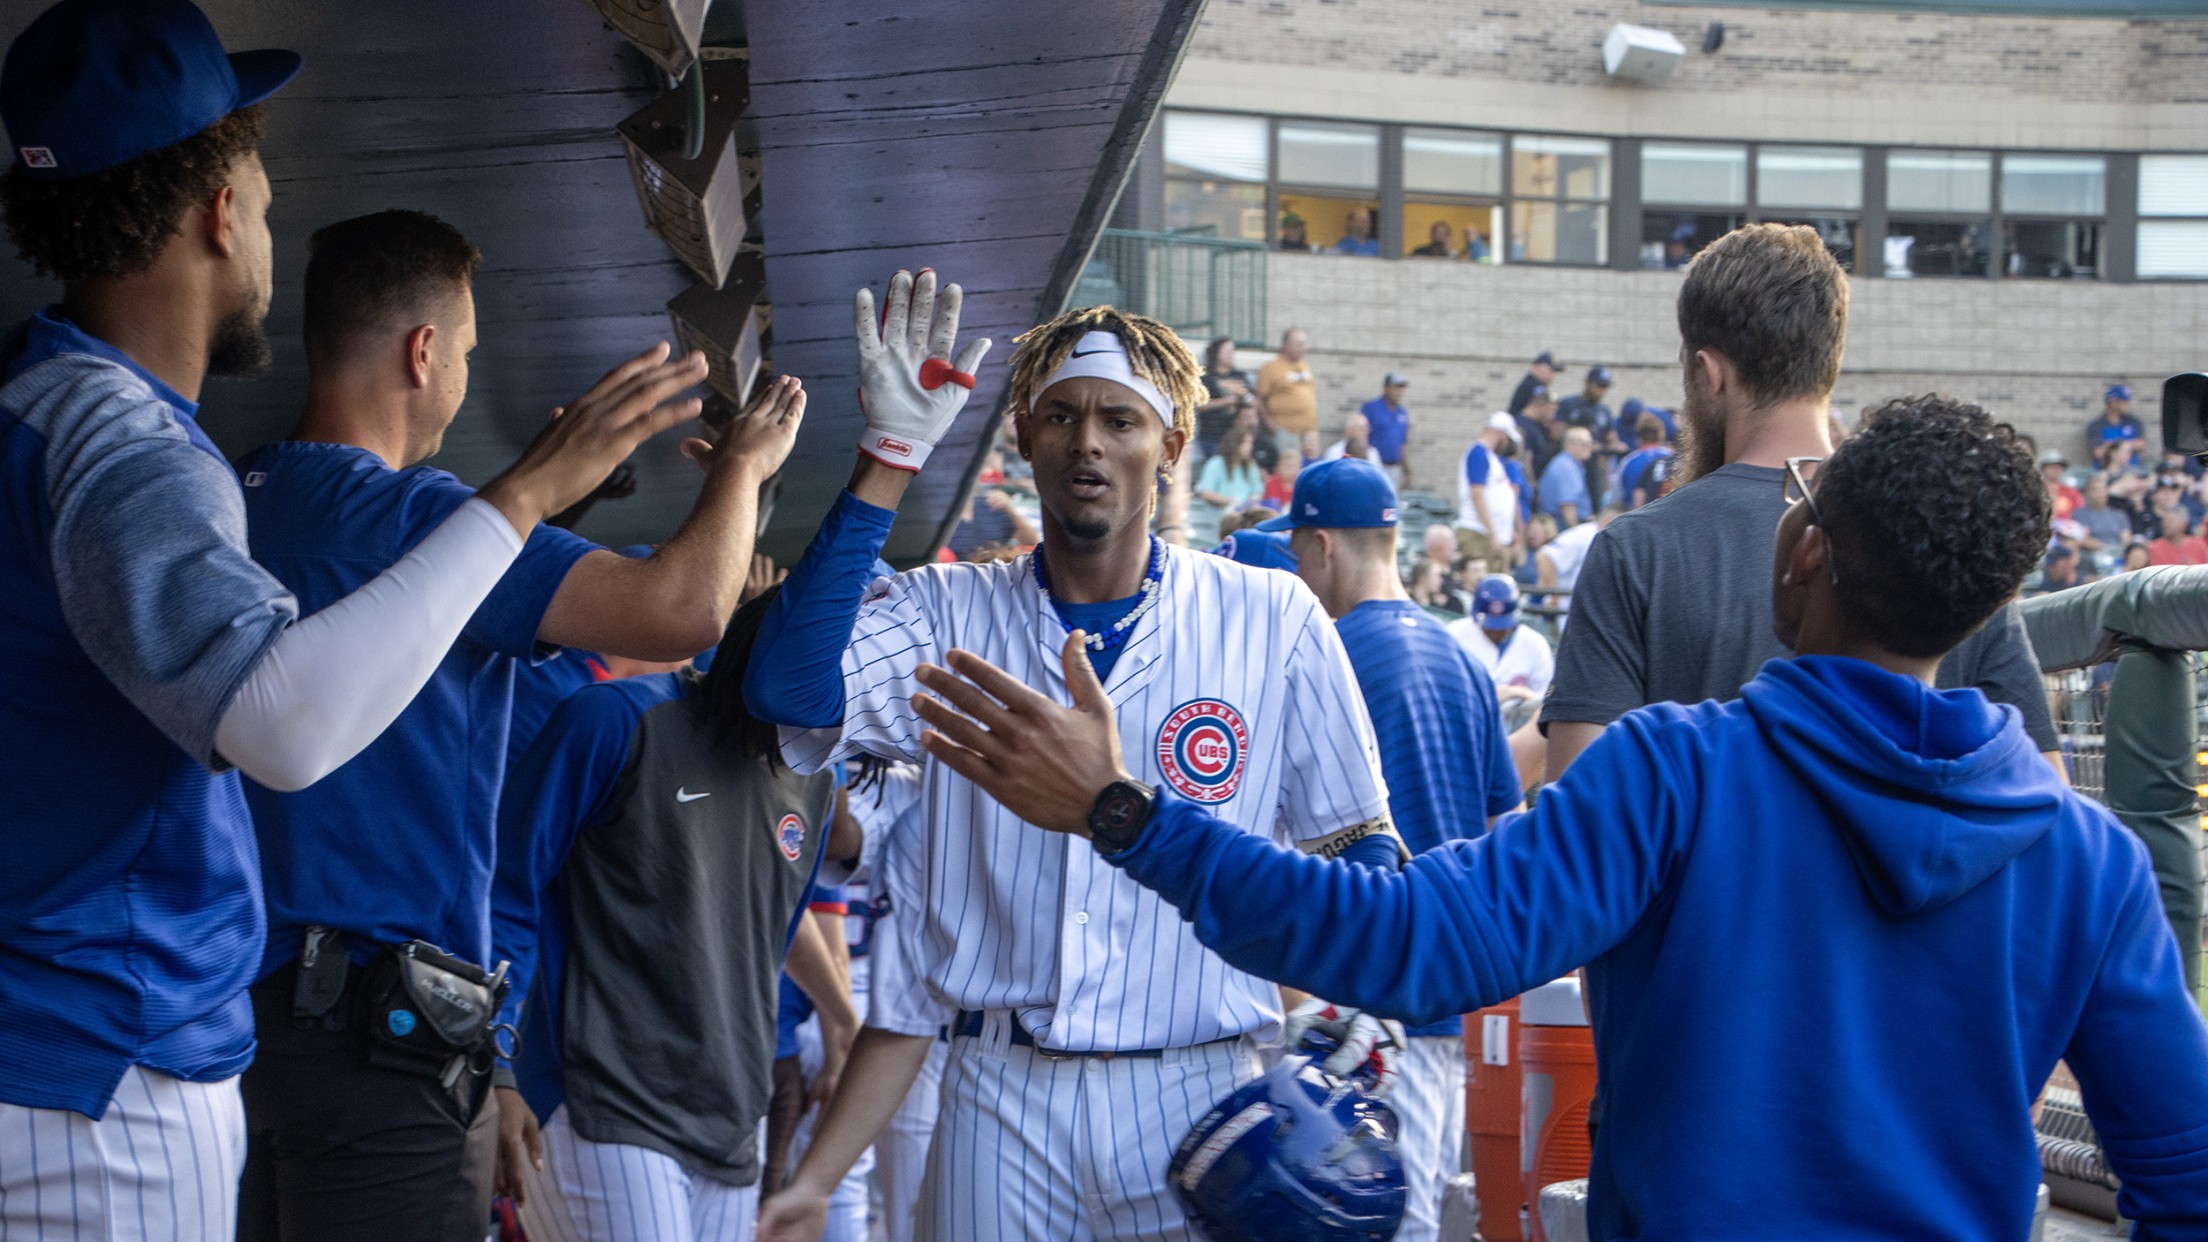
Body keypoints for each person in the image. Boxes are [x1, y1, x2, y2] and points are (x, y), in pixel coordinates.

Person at [911, 396, 2208, 1242]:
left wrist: (1125, 813)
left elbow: (1405, 944)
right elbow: (2185, 1176)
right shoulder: (2087, 861)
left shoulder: (1680, 776)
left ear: (1804, 559)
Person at [0, 5, 693, 1235]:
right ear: (218, 211)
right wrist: (524, 492)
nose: (266, 227)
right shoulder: (122, 444)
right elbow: (282, 721)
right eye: (262, 202)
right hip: (102, 1064)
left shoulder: (34, 413)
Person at [744, 277, 1399, 1242]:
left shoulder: (1275, 617)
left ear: (1171, 446)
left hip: (1203, 1088)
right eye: (1061, 415)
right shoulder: (945, 611)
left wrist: (1357, 1000)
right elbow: (785, 691)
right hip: (996, 1094)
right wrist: (888, 460)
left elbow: (1361, 847)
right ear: (1024, 437)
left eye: (1120, 420)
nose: (1088, 440)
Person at [232, 210, 806, 1241]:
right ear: (423, 352)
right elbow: (683, 613)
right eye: (466, 350)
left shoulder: (239, 498)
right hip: (377, 1038)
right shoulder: (421, 517)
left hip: (244, 1024)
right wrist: (744, 471)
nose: (462, 372)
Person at [1542, 225, 2061, 788]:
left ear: (1707, 374)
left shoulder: (1635, 550)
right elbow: (2045, 791)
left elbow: (1574, 808)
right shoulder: (1943, 528)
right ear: (1828, 363)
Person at [489, 587, 850, 1242]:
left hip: (733, 1113)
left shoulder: (816, 781)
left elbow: (765, 929)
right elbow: (502, 886)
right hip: (599, 1100)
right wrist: (498, 1066)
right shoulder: (613, 719)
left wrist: (841, 1013)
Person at [1252, 458, 1522, 1242]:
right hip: (1447, 1011)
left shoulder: (1329, 652)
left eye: (1299, 550)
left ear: (1324, 546)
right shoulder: (1466, 662)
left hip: (1359, 1010)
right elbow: (1504, 828)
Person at [1447, 575, 1555, 721]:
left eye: (1502, 625)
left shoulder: (1535, 644)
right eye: (1490, 626)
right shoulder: (1454, 635)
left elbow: (1545, 698)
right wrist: (1505, 693)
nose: (1496, 631)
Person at [1457, 412, 1521, 557]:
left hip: (1492, 535)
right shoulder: (1478, 453)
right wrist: (1493, 534)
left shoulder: (1490, 456)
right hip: (1479, 534)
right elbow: (1477, 495)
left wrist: (1507, 530)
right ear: (1502, 435)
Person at [1255, 326, 1318, 454]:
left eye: (1304, 344)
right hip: (1286, 429)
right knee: (1289, 467)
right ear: (1286, 345)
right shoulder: (1271, 367)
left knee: (1309, 467)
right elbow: (1259, 398)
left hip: (1308, 430)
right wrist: (1268, 421)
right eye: (1298, 344)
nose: (1302, 348)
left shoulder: (1304, 366)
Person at [1193, 336, 1253, 460]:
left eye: (1233, 351)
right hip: (1212, 436)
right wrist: (1227, 401)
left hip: (1238, 436)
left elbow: (1253, 400)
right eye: (1227, 351)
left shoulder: (1240, 376)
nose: (1231, 355)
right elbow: (1198, 405)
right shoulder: (1206, 378)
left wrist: (1244, 397)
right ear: (1216, 353)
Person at [1359, 371, 1412, 487]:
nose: (1399, 392)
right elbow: (1360, 435)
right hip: (1375, 465)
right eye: (1396, 388)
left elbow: (1403, 443)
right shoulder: (1371, 408)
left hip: (1394, 467)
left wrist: (1406, 470)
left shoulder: (1402, 412)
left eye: (1401, 388)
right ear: (1386, 388)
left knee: (1391, 502)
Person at [1615, 412, 1677, 510]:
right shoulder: (1672, 457)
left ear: (1638, 438)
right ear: (1661, 435)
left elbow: (1618, 495)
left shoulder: (1628, 461)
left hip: (1632, 515)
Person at [1555, 363, 1619, 457]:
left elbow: (1611, 439)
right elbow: (1557, 435)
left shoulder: (1604, 411)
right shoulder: (1569, 404)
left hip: (1594, 461)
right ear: (1587, 382)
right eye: (1599, 385)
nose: (1601, 390)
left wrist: (1609, 446)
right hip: (1571, 457)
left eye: (1605, 387)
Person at [1196, 424, 1266, 509]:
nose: (1250, 447)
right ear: (1234, 443)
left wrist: (1250, 503)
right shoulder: (1215, 463)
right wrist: (1230, 502)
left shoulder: (1251, 465)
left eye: (1250, 443)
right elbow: (1206, 493)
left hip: (1247, 513)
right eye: (1245, 443)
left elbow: (1258, 491)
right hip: (1219, 513)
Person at [1539, 426, 1597, 526]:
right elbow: (1568, 507)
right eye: (1585, 445)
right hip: (1561, 523)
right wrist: (1574, 533)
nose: (1590, 449)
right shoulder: (1566, 467)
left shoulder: (1571, 464)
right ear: (1570, 445)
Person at [2088, 383, 2143, 469]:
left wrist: (2111, 446)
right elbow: (2098, 452)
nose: (2127, 404)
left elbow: (2141, 445)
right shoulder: (2096, 425)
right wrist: (2127, 445)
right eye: (2124, 401)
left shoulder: (2133, 421)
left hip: (2130, 471)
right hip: (2104, 471)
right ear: (2112, 402)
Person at [2075, 472, 2133, 553]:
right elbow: (2083, 539)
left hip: (2118, 553)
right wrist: (2107, 548)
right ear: (2087, 493)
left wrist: (2117, 550)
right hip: (2093, 554)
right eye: (2095, 490)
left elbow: (2126, 539)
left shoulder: (2119, 515)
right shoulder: (2080, 514)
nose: (2099, 493)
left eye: (2102, 490)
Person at [1508, 350, 1561, 417]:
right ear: (1536, 367)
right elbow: (1542, 409)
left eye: (1556, 372)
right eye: (1551, 370)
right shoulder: (1533, 385)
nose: (1554, 375)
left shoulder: (1533, 382)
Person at [2041, 449, 2083, 521]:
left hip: (2069, 527)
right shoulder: (2038, 490)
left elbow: (2080, 513)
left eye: (2059, 467)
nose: (2055, 469)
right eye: (2051, 466)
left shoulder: (2071, 491)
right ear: (2043, 469)